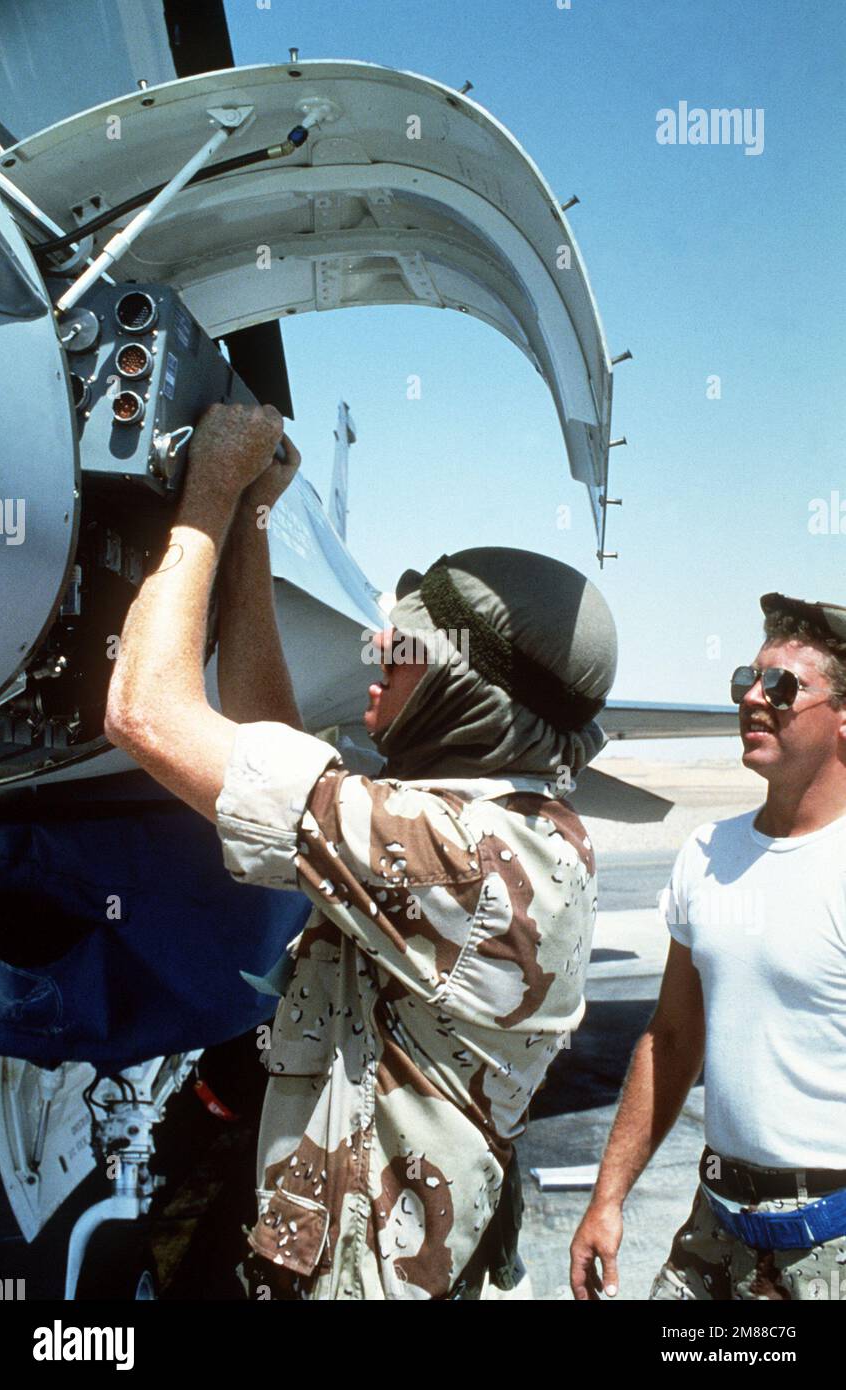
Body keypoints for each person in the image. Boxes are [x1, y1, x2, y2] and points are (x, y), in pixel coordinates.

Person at [104, 401, 618, 1300]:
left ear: (469, 690)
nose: (376, 646)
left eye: (411, 642)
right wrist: (254, 524)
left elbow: (144, 716)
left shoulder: (457, 856)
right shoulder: (509, 834)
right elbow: (271, 745)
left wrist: (210, 495)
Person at [570, 591, 846, 1302]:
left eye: (781, 686)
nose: (752, 698)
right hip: (717, 1225)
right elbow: (669, 1037)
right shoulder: (705, 852)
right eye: (745, 681)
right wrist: (607, 1199)